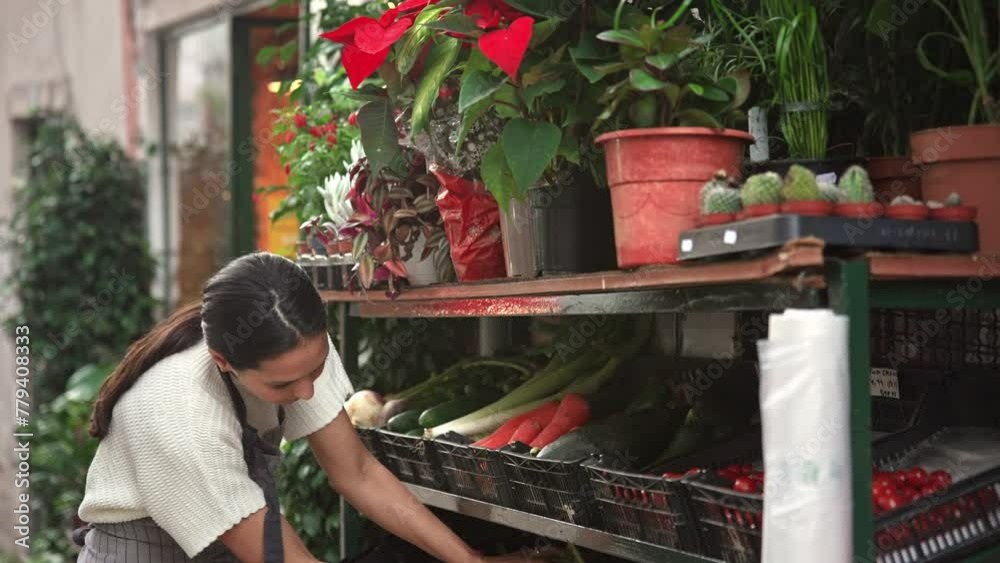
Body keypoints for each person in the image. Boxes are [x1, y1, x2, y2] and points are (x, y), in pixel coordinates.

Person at [74, 252, 545, 563]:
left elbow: (357, 470)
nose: (305, 393)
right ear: (224, 361)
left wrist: (471, 562)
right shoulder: (184, 421)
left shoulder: (294, 347)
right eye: (283, 384)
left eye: (315, 371)